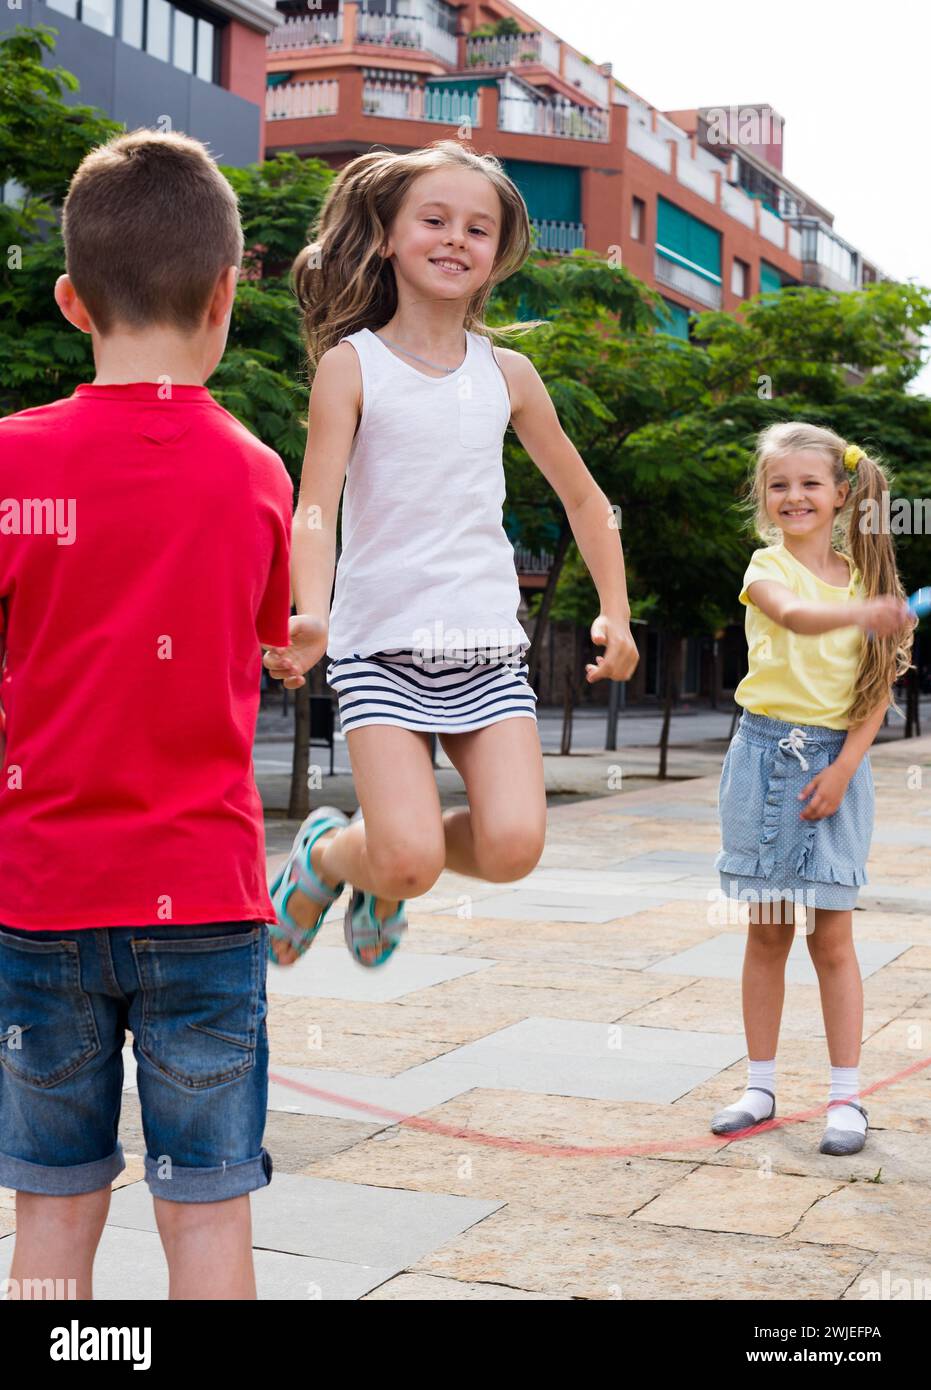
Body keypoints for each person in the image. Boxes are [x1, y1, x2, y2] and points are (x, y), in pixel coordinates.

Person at [0, 130, 294, 1298]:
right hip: (208, 905)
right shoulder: (259, 473)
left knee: (51, 1214)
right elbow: (271, 642)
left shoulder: (13, 464)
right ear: (227, 291)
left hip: (41, 896)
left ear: (73, 300)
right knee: (210, 1219)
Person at [263, 139, 639, 969]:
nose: (454, 239)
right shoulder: (349, 365)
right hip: (378, 645)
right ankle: (332, 855)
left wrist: (614, 611)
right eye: (433, 219)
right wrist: (312, 613)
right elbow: (316, 505)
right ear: (388, 236)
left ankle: (374, 863)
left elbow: (585, 500)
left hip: (485, 650)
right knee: (408, 858)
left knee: (512, 847)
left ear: (497, 253)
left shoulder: (509, 374)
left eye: (478, 228)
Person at [711, 422, 914, 1155]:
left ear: (837, 496)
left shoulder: (864, 585)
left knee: (832, 937)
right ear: (763, 500)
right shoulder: (764, 567)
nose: (792, 496)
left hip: (834, 766)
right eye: (778, 486)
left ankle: (843, 1099)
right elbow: (793, 618)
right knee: (766, 932)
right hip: (762, 760)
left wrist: (841, 770)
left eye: (807, 484)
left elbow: (874, 695)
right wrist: (863, 614)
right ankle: (758, 1084)